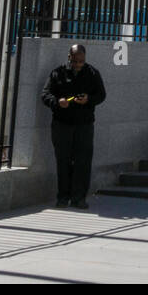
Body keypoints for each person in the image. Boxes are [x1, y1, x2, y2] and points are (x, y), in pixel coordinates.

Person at [41, 43, 106, 209]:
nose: (78, 64)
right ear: (69, 57)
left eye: (81, 61)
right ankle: (63, 197)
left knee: (83, 162)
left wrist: (88, 100)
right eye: (75, 61)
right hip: (62, 124)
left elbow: (101, 95)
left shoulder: (92, 73)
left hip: (84, 125)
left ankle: (79, 198)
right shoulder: (58, 73)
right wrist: (57, 102)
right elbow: (45, 94)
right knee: (63, 161)